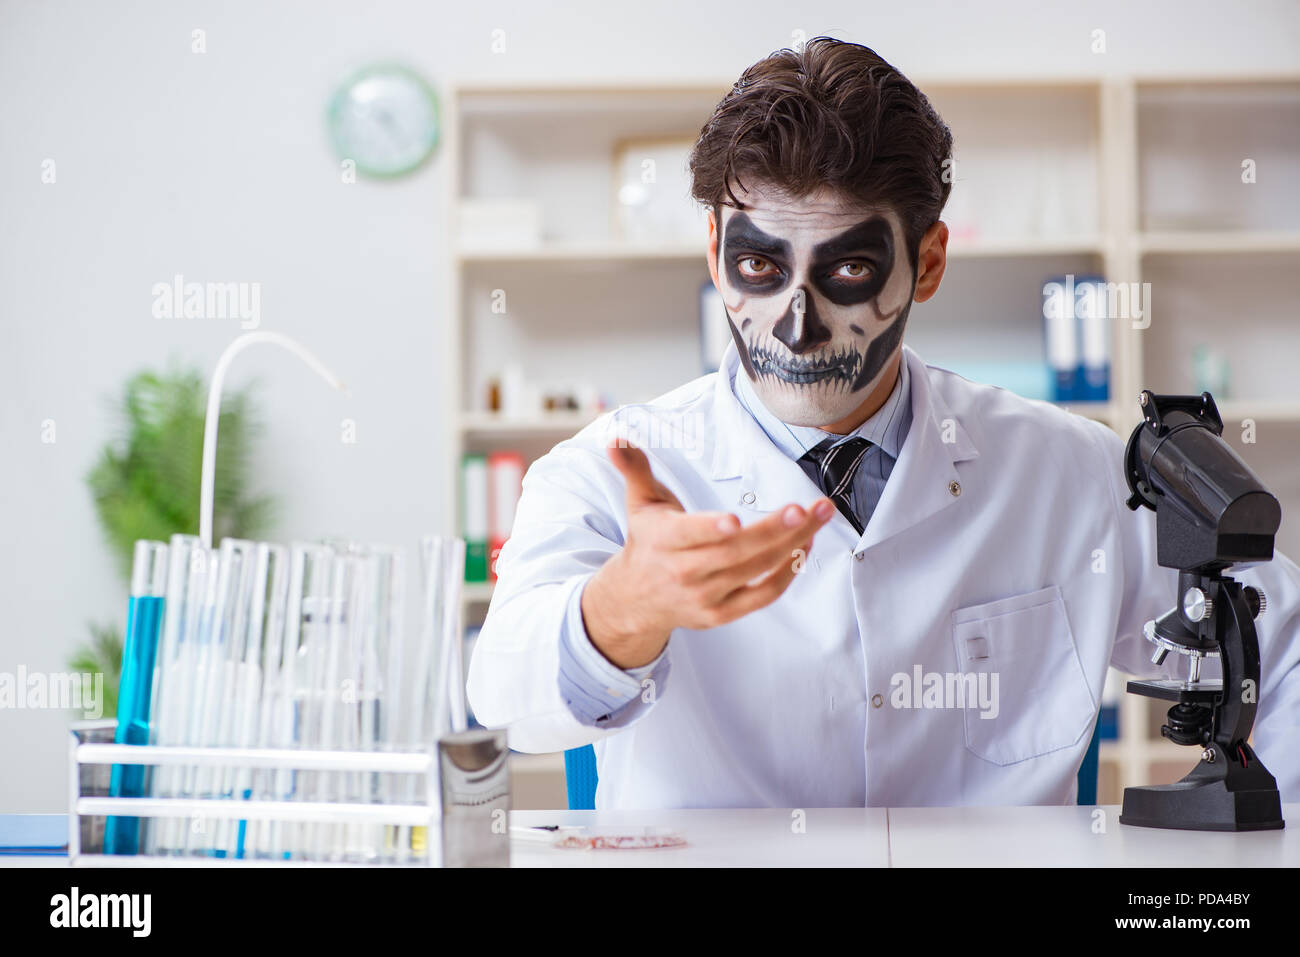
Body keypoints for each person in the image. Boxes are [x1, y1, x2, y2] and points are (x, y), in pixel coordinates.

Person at [466, 37, 1300, 808]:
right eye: (759, 266)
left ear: (927, 262)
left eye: (850, 269)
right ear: (715, 248)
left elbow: (1282, 644)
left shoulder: (1073, 472)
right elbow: (505, 700)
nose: (797, 325)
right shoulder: (608, 471)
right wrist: (618, 610)